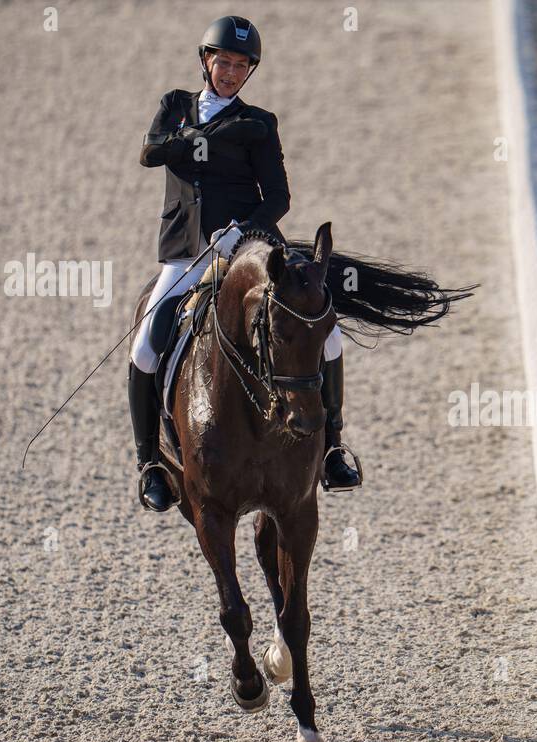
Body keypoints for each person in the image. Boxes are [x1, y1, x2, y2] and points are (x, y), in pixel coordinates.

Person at [129, 15, 362, 512]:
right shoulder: (175, 106)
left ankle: (334, 449)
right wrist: (202, 139)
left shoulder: (259, 124)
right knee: (146, 348)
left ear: (249, 71)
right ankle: (150, 462)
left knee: (332, 336)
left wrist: (242, 229)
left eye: (241, 65)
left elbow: (279, 196)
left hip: (246, 246)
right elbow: (150, 152)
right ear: (205, 61)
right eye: (223, 62)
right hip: (185, 250)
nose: (231, 73)